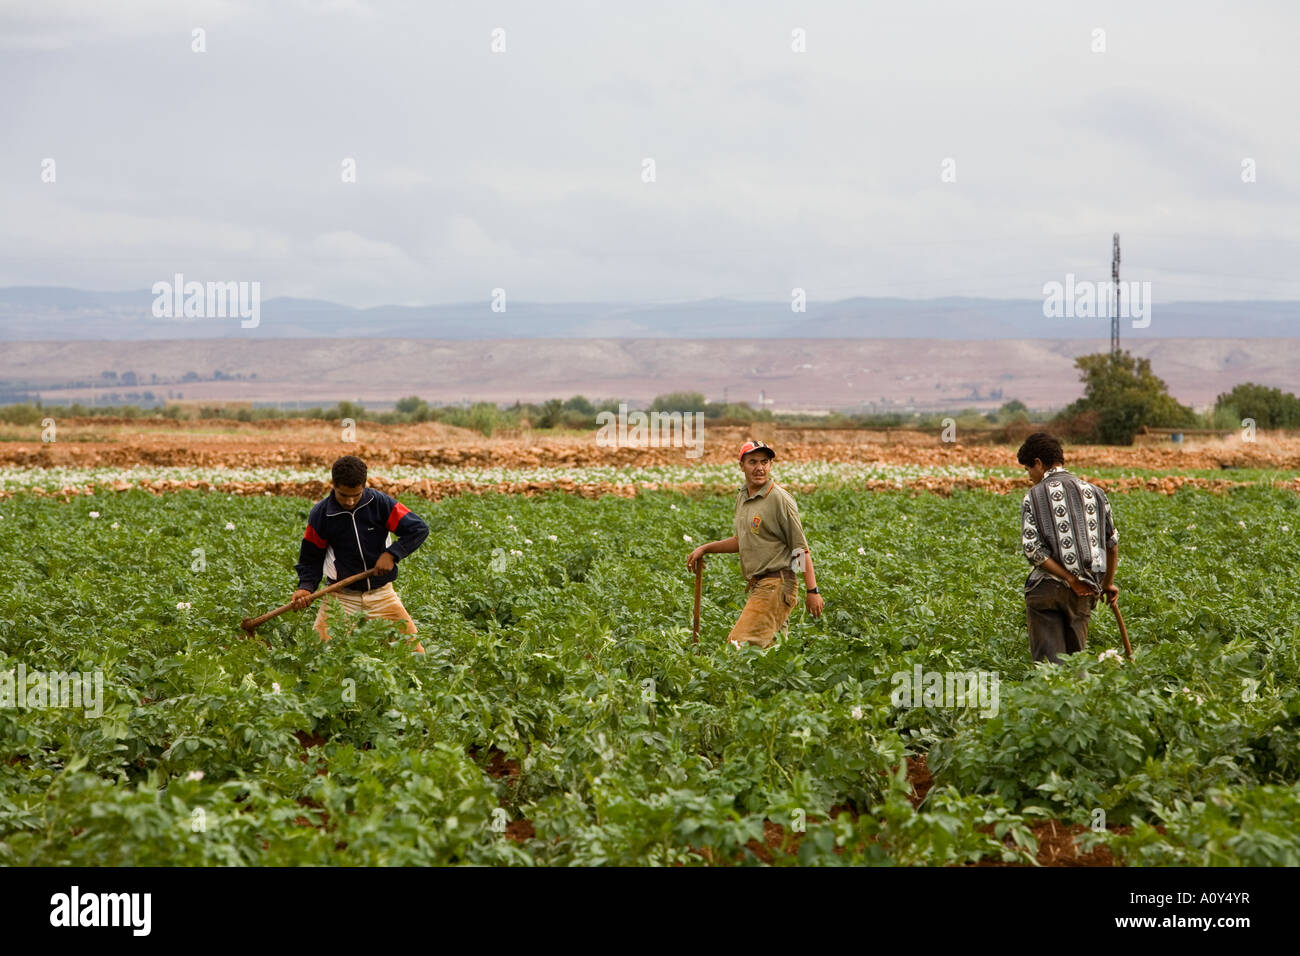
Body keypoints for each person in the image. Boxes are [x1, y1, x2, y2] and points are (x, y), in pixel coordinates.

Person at [686, 439, 824, 648]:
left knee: (738, 645)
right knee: (772, 655)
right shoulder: (744, 496)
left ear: (770, 465)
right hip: (762, 584)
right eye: (752, 462)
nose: (759, 468)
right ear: (741, 465)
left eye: (764, 462)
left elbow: (800, 549)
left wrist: (812, 591)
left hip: (776, 584)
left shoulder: (779, 499)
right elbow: (742, 541)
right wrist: (705, 549)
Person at [290, 455, 430, 653]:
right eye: (343, 495)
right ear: (333, 485)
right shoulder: (321, 515)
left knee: (415, 653)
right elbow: (311, 558)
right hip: (341, 596)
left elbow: (418, 529)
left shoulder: (381, 504)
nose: (350, 501)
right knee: (319, 654)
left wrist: (392, 554)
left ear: (364, 485)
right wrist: (306, 588)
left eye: (356, 495)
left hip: (382, 593)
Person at [1017, 432, 1119, 663]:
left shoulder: (1034, 496)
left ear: (1038, 463)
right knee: (1076, 665)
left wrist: (1067, 577)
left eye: (1028, 469)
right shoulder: (1095, 493)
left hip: (1046, 592)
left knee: (1050, 668)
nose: (1029, 477)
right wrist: (1106, 583)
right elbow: (1111, 545)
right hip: (1083, 592)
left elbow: (1033, 550)